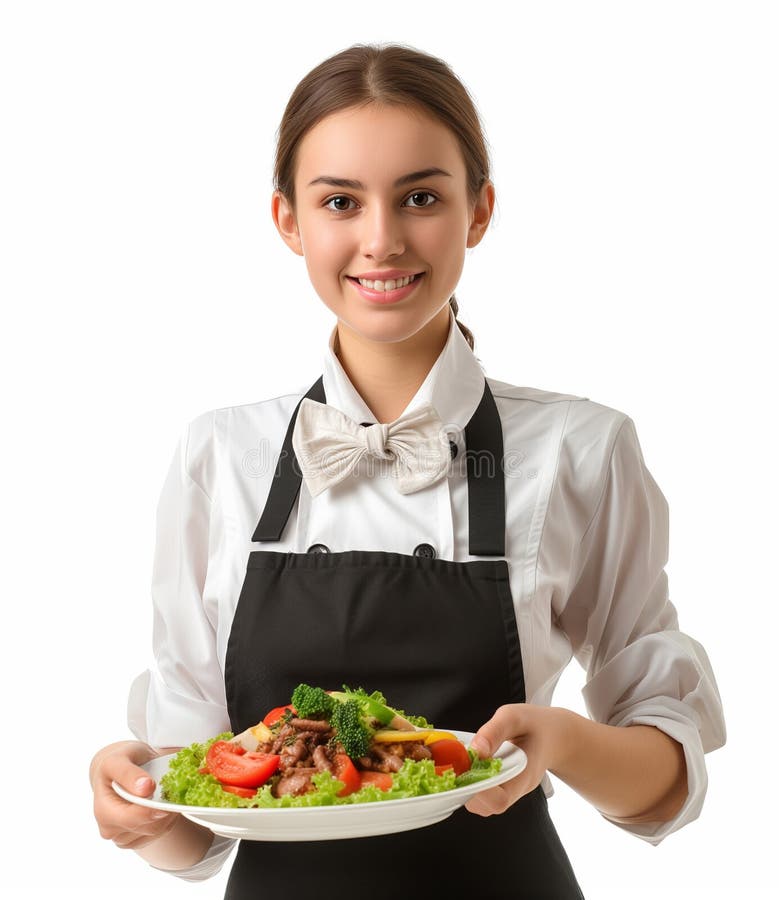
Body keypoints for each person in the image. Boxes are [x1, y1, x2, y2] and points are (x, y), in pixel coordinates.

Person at [89, 42, 726, 898]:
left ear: (478, 210)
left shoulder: (581, 446)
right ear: (288, 221)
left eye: (420, 197)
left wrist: (563, 742)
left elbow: (664, 789)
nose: (381, 240)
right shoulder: (219, 455)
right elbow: (191, 838)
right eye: (340, 202)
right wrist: (137, 808)